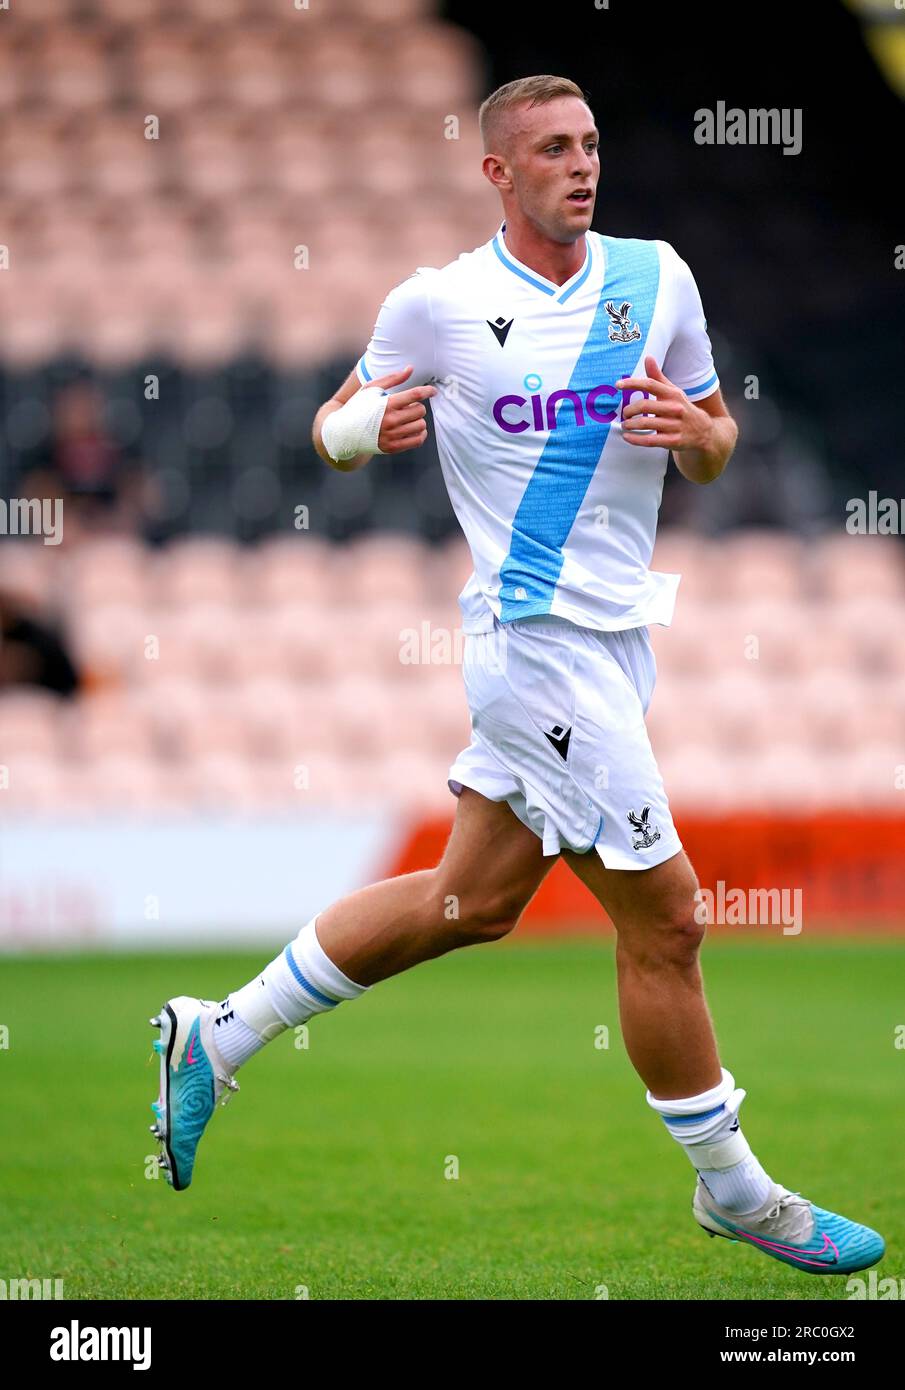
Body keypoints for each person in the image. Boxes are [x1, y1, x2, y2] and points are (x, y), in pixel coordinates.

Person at [149, 76, 883, 1277]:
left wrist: (699, 440)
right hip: (524, 639)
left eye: (590, 144)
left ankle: (216, 1038)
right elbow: (335, 422)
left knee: (468, 900)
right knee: (672, 918)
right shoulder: (438, 304)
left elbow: (710, 438)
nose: (580, 165)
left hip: (614, 639)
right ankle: (735, 1190)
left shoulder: (656, 277)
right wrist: (359, 434)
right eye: (551, 149)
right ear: (497, 171)